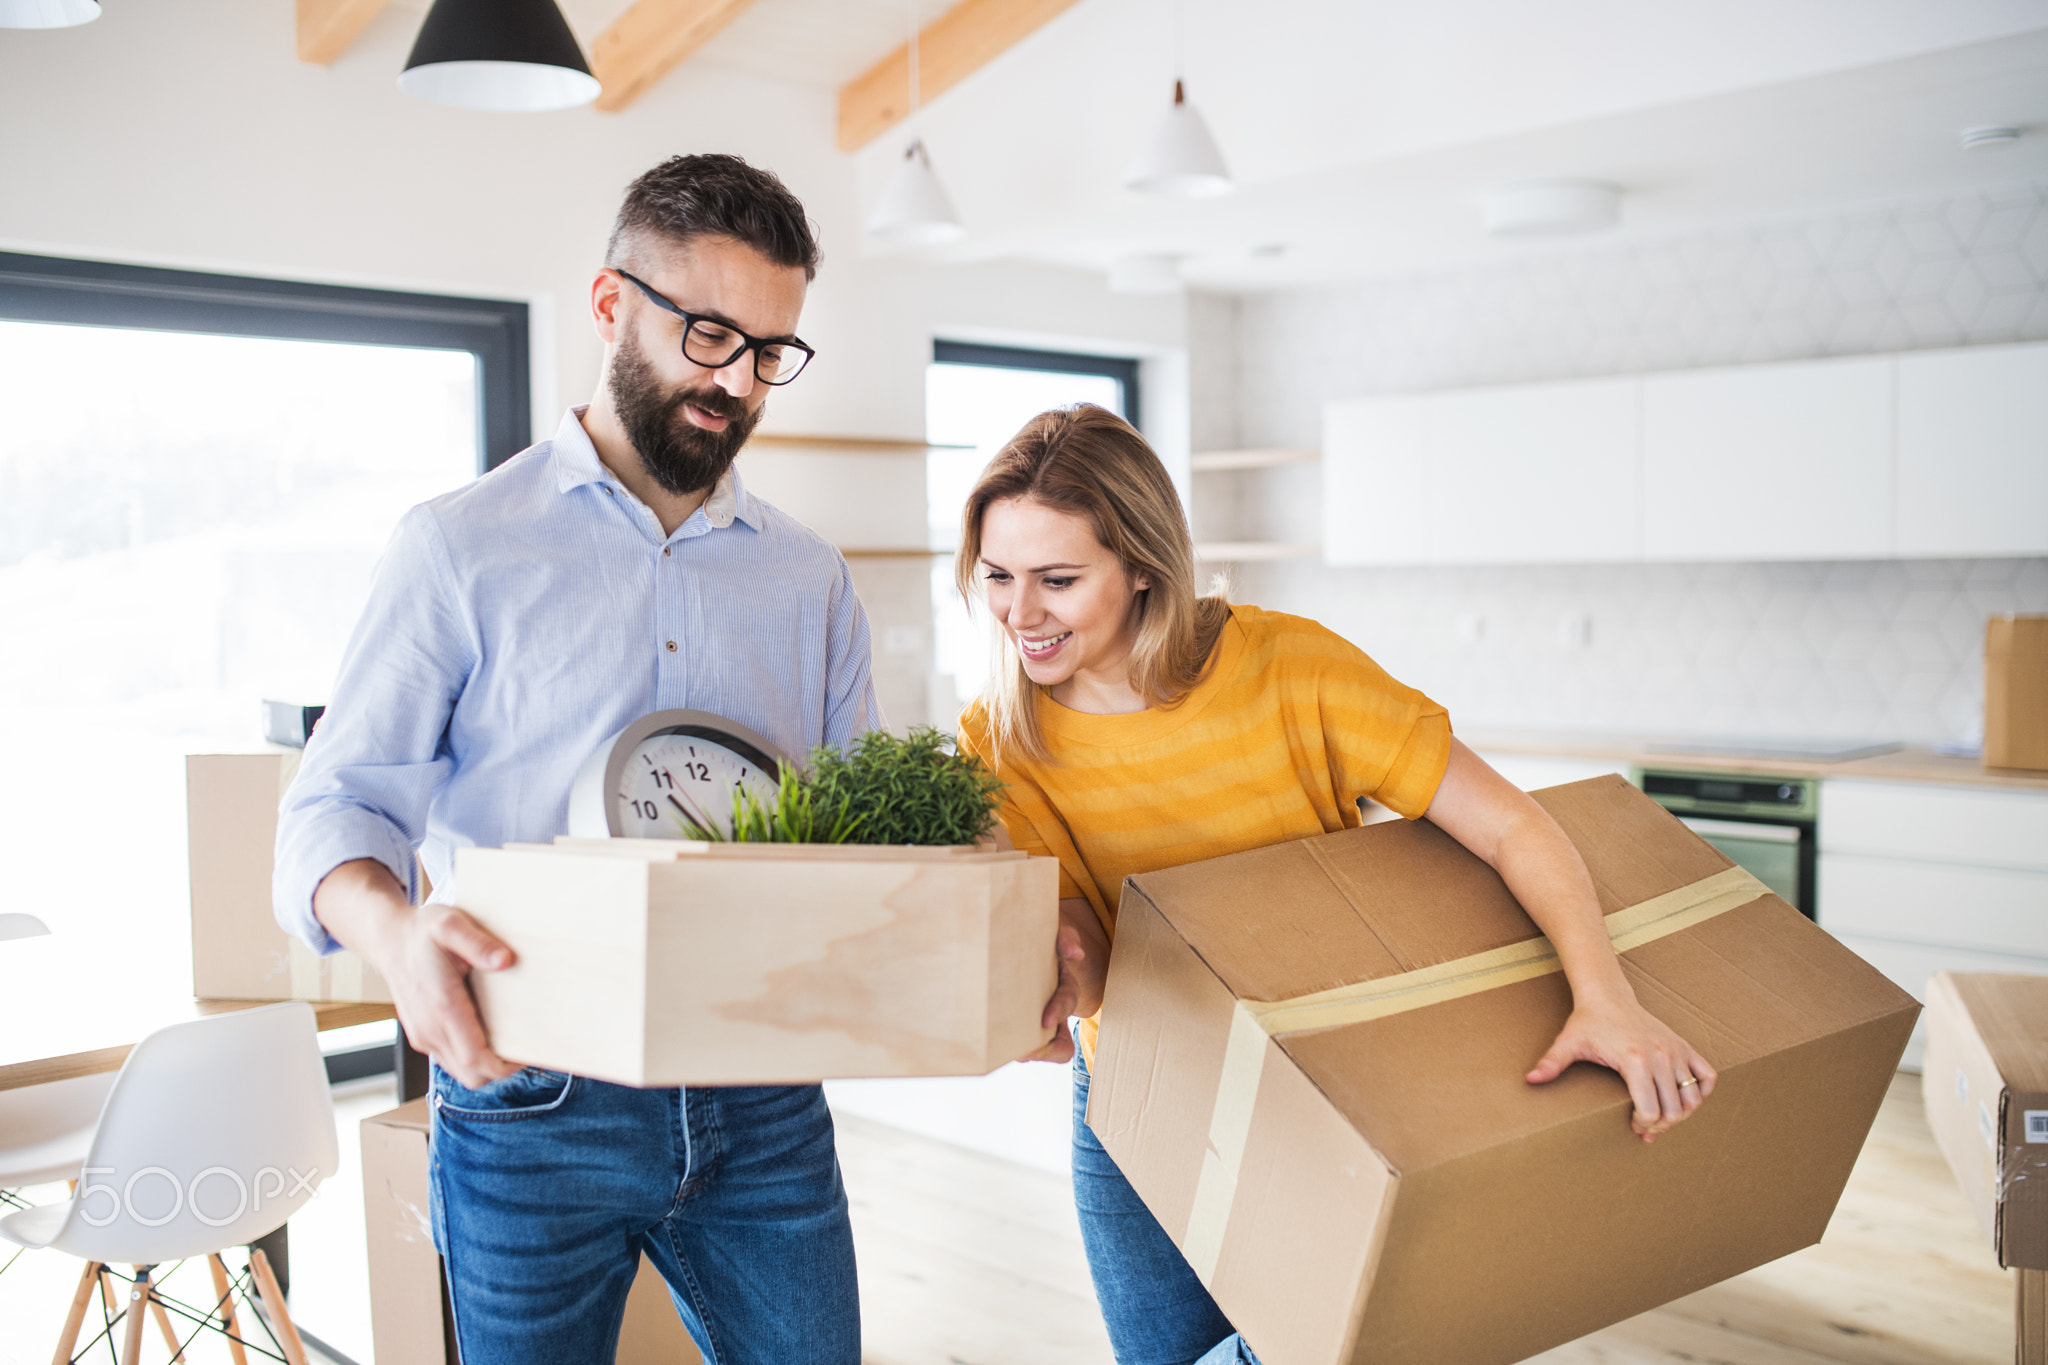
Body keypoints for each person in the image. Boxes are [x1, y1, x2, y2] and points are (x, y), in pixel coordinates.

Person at [953, 404, 1718, 1365]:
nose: (1020, 612)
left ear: (1143, 563)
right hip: (1139, 1098)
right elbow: (1095, 957)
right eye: (996, 576)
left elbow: (1515, 826)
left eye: (1057, 579)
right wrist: (1048, 981)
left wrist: (1607, 997)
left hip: (1325, 1089)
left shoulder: (1289, 668)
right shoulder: (999, 737)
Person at [273, 154, 878, 1364]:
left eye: (768, 351)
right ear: (610, 306)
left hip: (761, 1096)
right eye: (708, 333)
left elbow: (855, 841)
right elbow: (332, 807)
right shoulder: (459, 548)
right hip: (527, 1098)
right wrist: (397, 940)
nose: (735, 381)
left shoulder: (807, 576)